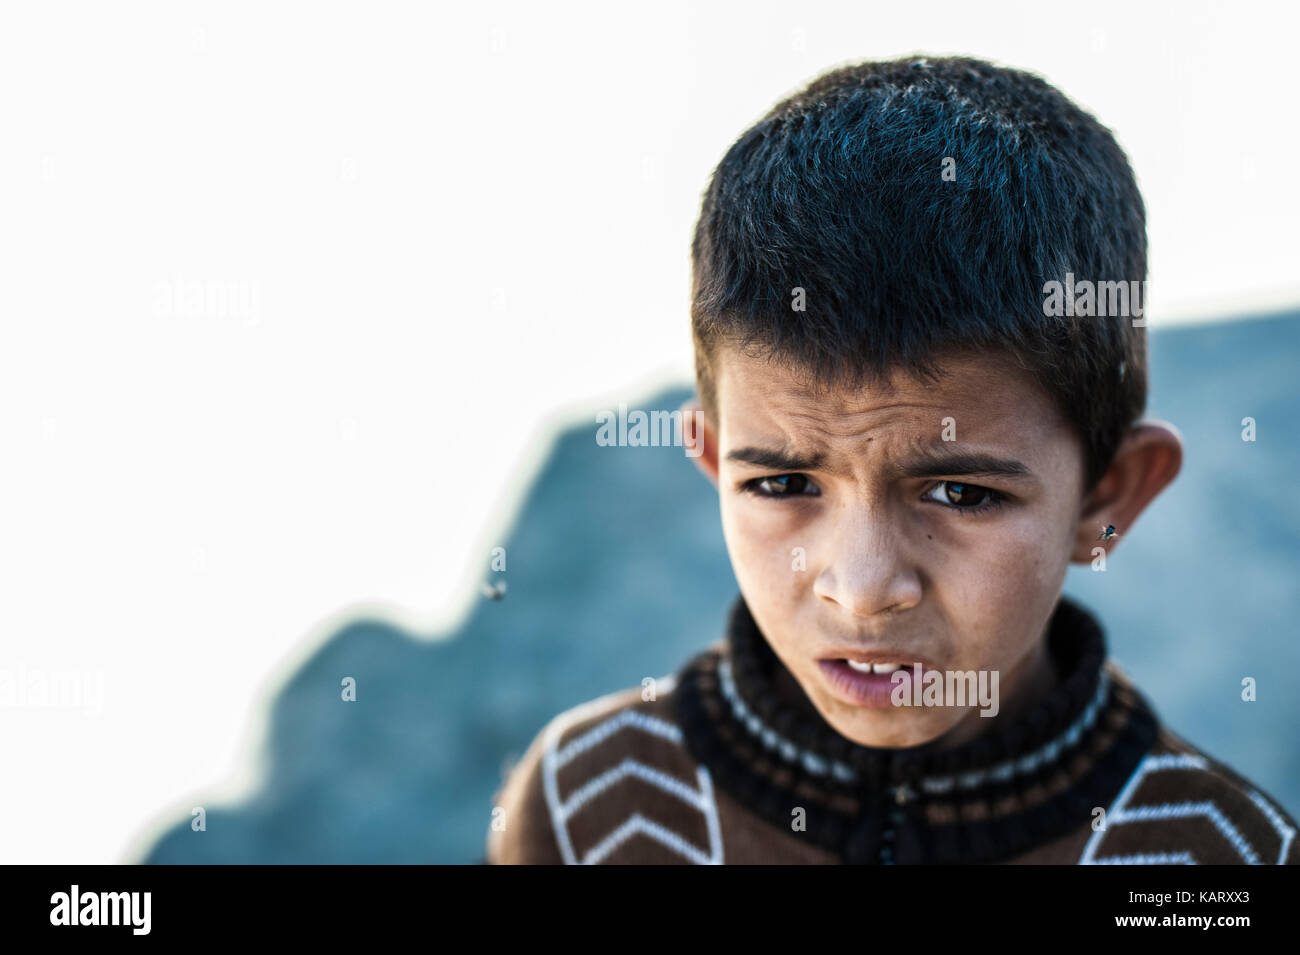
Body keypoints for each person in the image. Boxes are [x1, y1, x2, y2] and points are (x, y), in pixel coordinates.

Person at [485, 55, 1297, 864]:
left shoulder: (1216, 859)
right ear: (711, 463)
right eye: (783, 482)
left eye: (959, 492)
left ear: (1106, 499)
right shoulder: (584, 808)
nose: (864, 589)